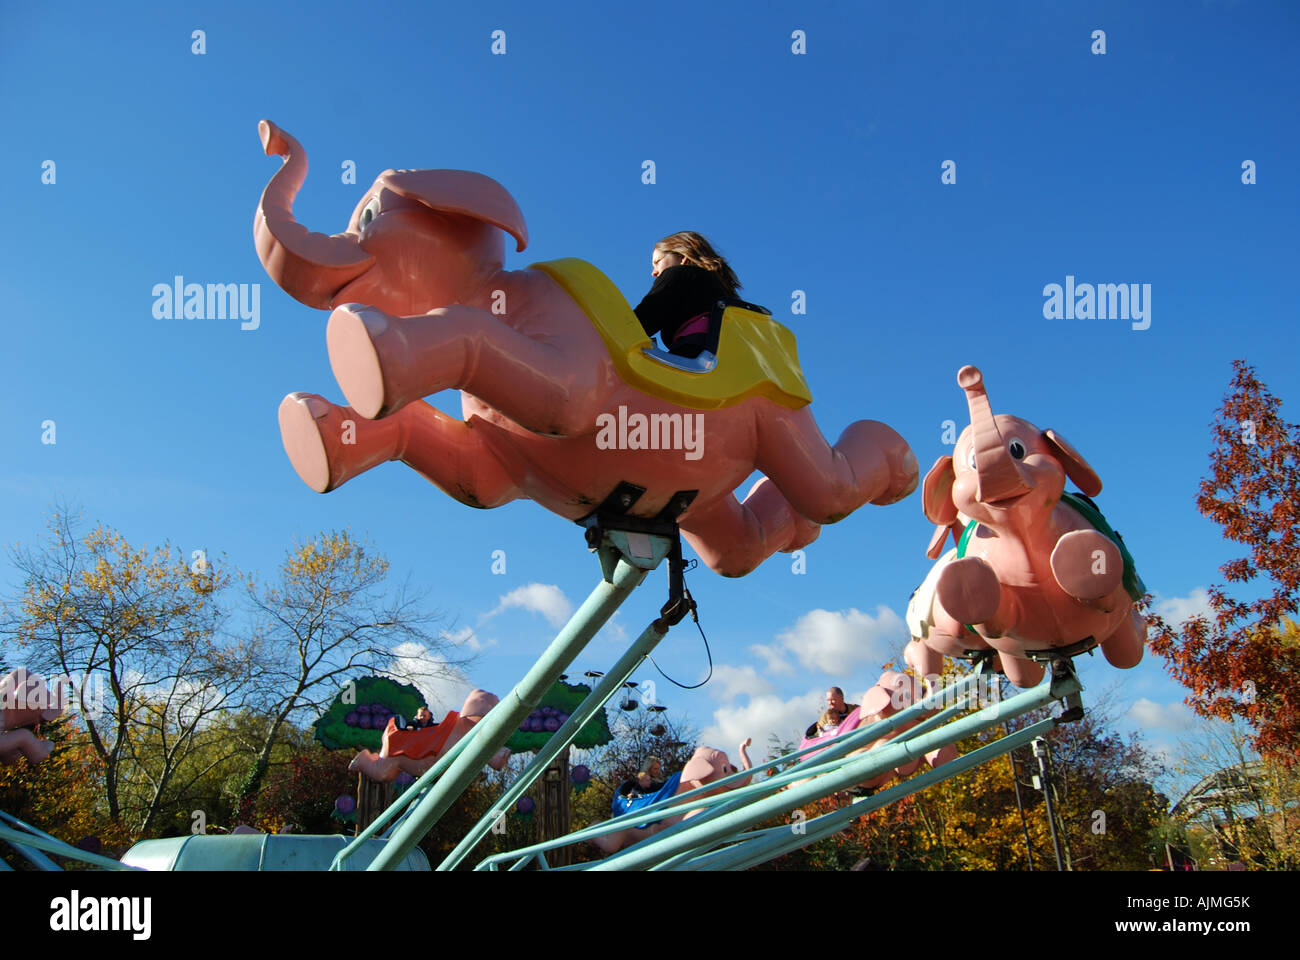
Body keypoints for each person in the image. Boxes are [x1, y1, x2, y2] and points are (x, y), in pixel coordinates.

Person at [633, 232, 742, 358]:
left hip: (694, 351)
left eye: (658, 262)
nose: (654, 272)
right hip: (729, 359)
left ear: (682, 257)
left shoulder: (677, 274)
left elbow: (647, 316)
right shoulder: (724, 293)